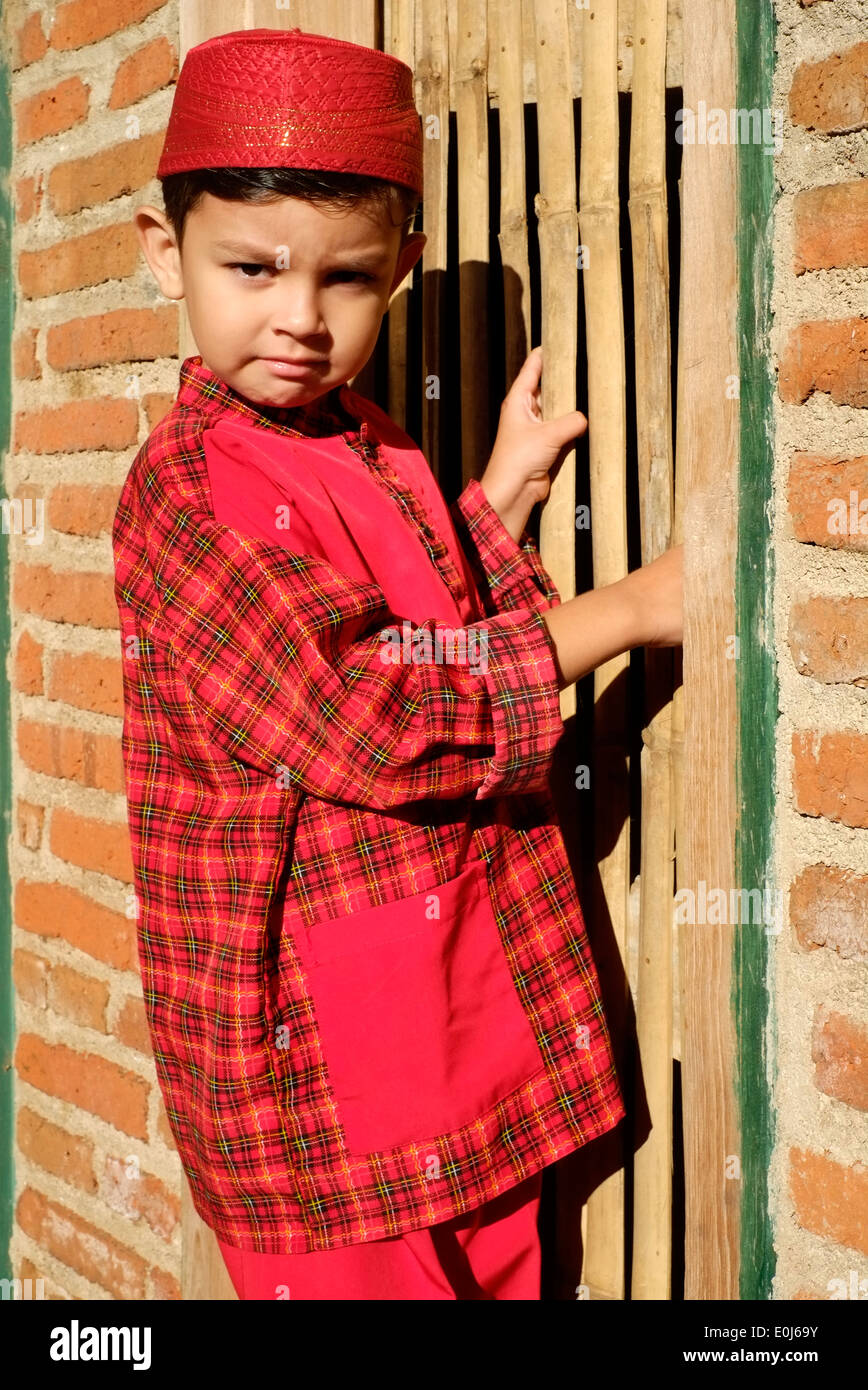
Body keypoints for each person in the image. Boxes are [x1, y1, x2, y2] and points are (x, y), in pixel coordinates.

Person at [114, 25, 683, 1301]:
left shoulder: (367, 441)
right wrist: (635, 610)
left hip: (456, 1020)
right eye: (251, 269)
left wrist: (495, 500)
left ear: (402, 271)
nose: (299, 319)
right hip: (316, 1087)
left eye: (348, 280)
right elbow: (368, 707)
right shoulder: (188, 494)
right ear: (169, 255)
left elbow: (411, 626)